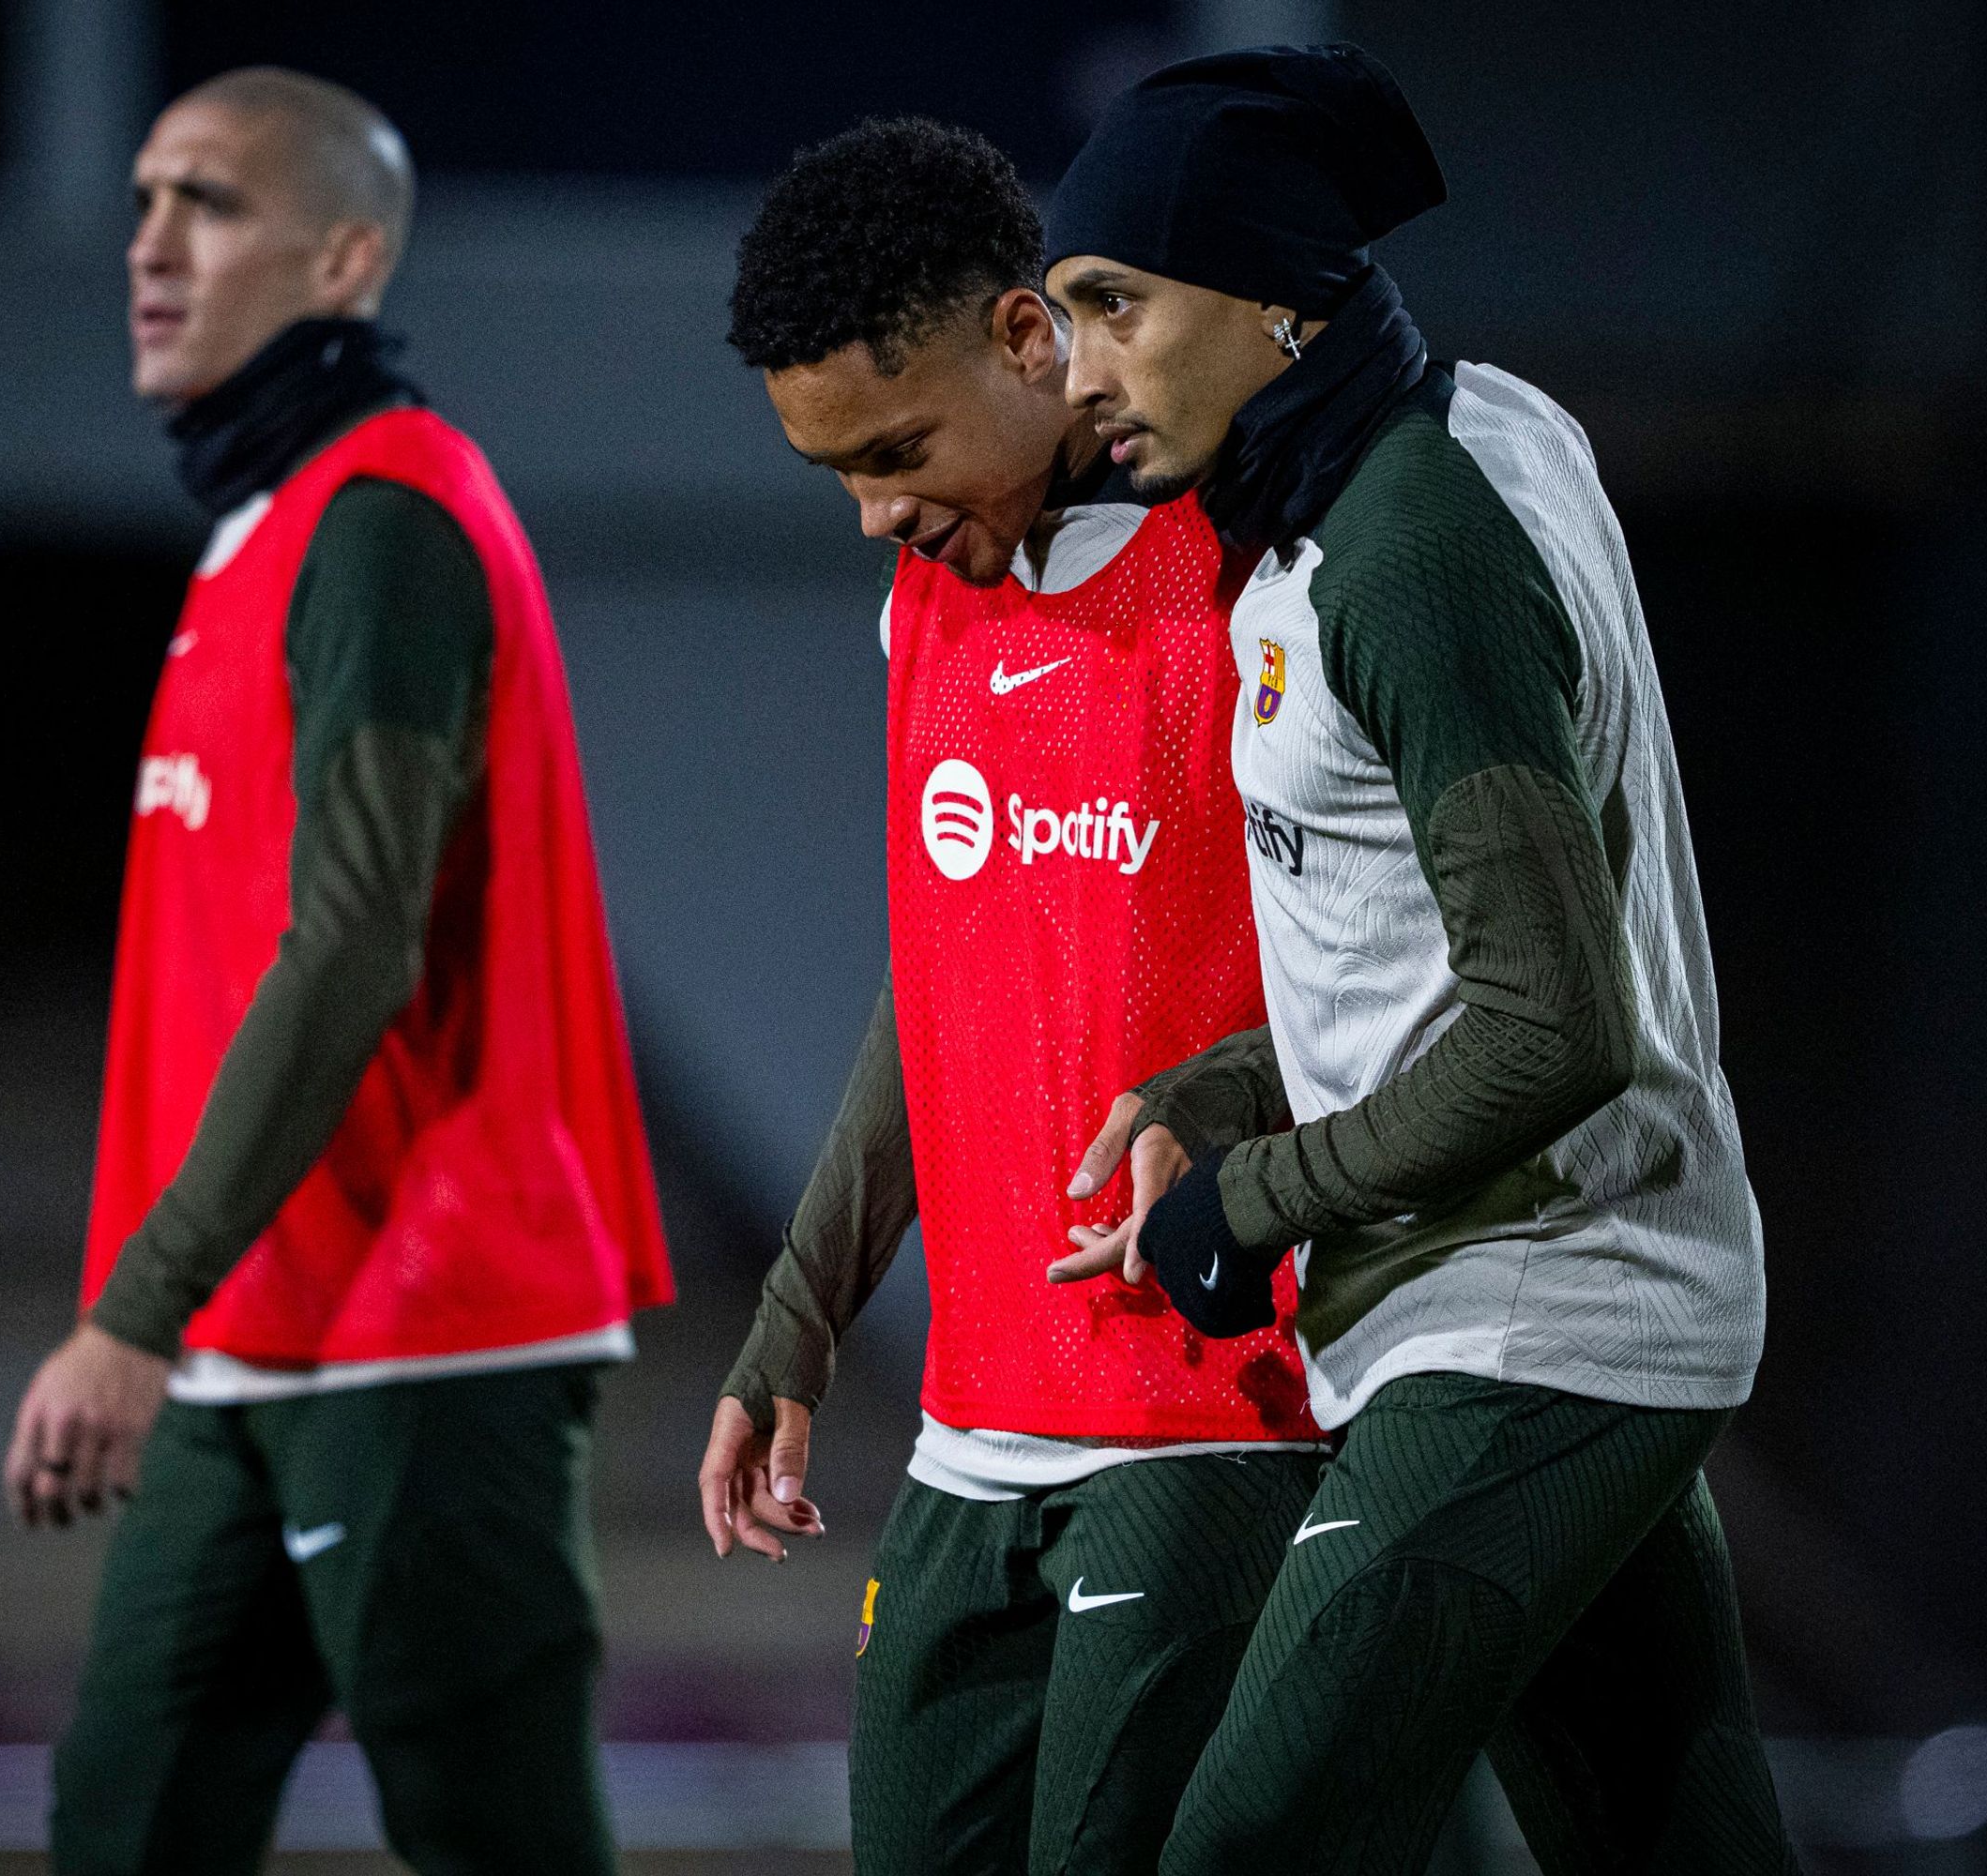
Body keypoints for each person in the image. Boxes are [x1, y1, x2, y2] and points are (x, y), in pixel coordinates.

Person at [1040, 44, 1803, 1875]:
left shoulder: (1402, 548)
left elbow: (1553, 1027)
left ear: (1278, 302)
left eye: (1112, 306)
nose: (1077, 374)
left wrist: (1255, 1193)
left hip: (1538, 1309)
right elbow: (1477, 944)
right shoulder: (1480, 433)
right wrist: (1217, 1087)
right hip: (1565, 1287)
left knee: (1251, 1840)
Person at [0, 67, 669, 1876]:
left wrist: (133, 1307)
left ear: (346, 255)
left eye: (206, 204)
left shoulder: (384, 524)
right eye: (140, 199)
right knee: (124, 1820)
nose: (145, 247)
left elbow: (357, 938)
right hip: (254, 1330)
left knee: (494, 1834)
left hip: (429, 1319)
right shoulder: (259, 527)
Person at [700, 119, 1327, 1874]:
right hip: (970, 1430)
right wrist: (800, 1315)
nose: (878, 512)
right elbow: (937, 996)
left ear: (1030, 337)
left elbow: (1408, 990)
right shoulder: (925, 603)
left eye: (897, 450)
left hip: (1214, 1415)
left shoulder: (1260, 571)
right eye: (836, 476)